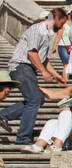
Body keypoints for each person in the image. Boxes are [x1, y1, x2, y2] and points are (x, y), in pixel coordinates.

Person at [0, 9, 67, 145]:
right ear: (55, 18)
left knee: (38, 99)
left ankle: (4, 115)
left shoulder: (45, 34)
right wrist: (43, 72)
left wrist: (55, 75)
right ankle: (23, 137)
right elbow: (32, 53)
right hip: (21, 66)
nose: (62, 27)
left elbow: (43, 59)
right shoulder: (38, 29)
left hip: (27, 68)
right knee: (34, 100)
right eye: (62, 23)